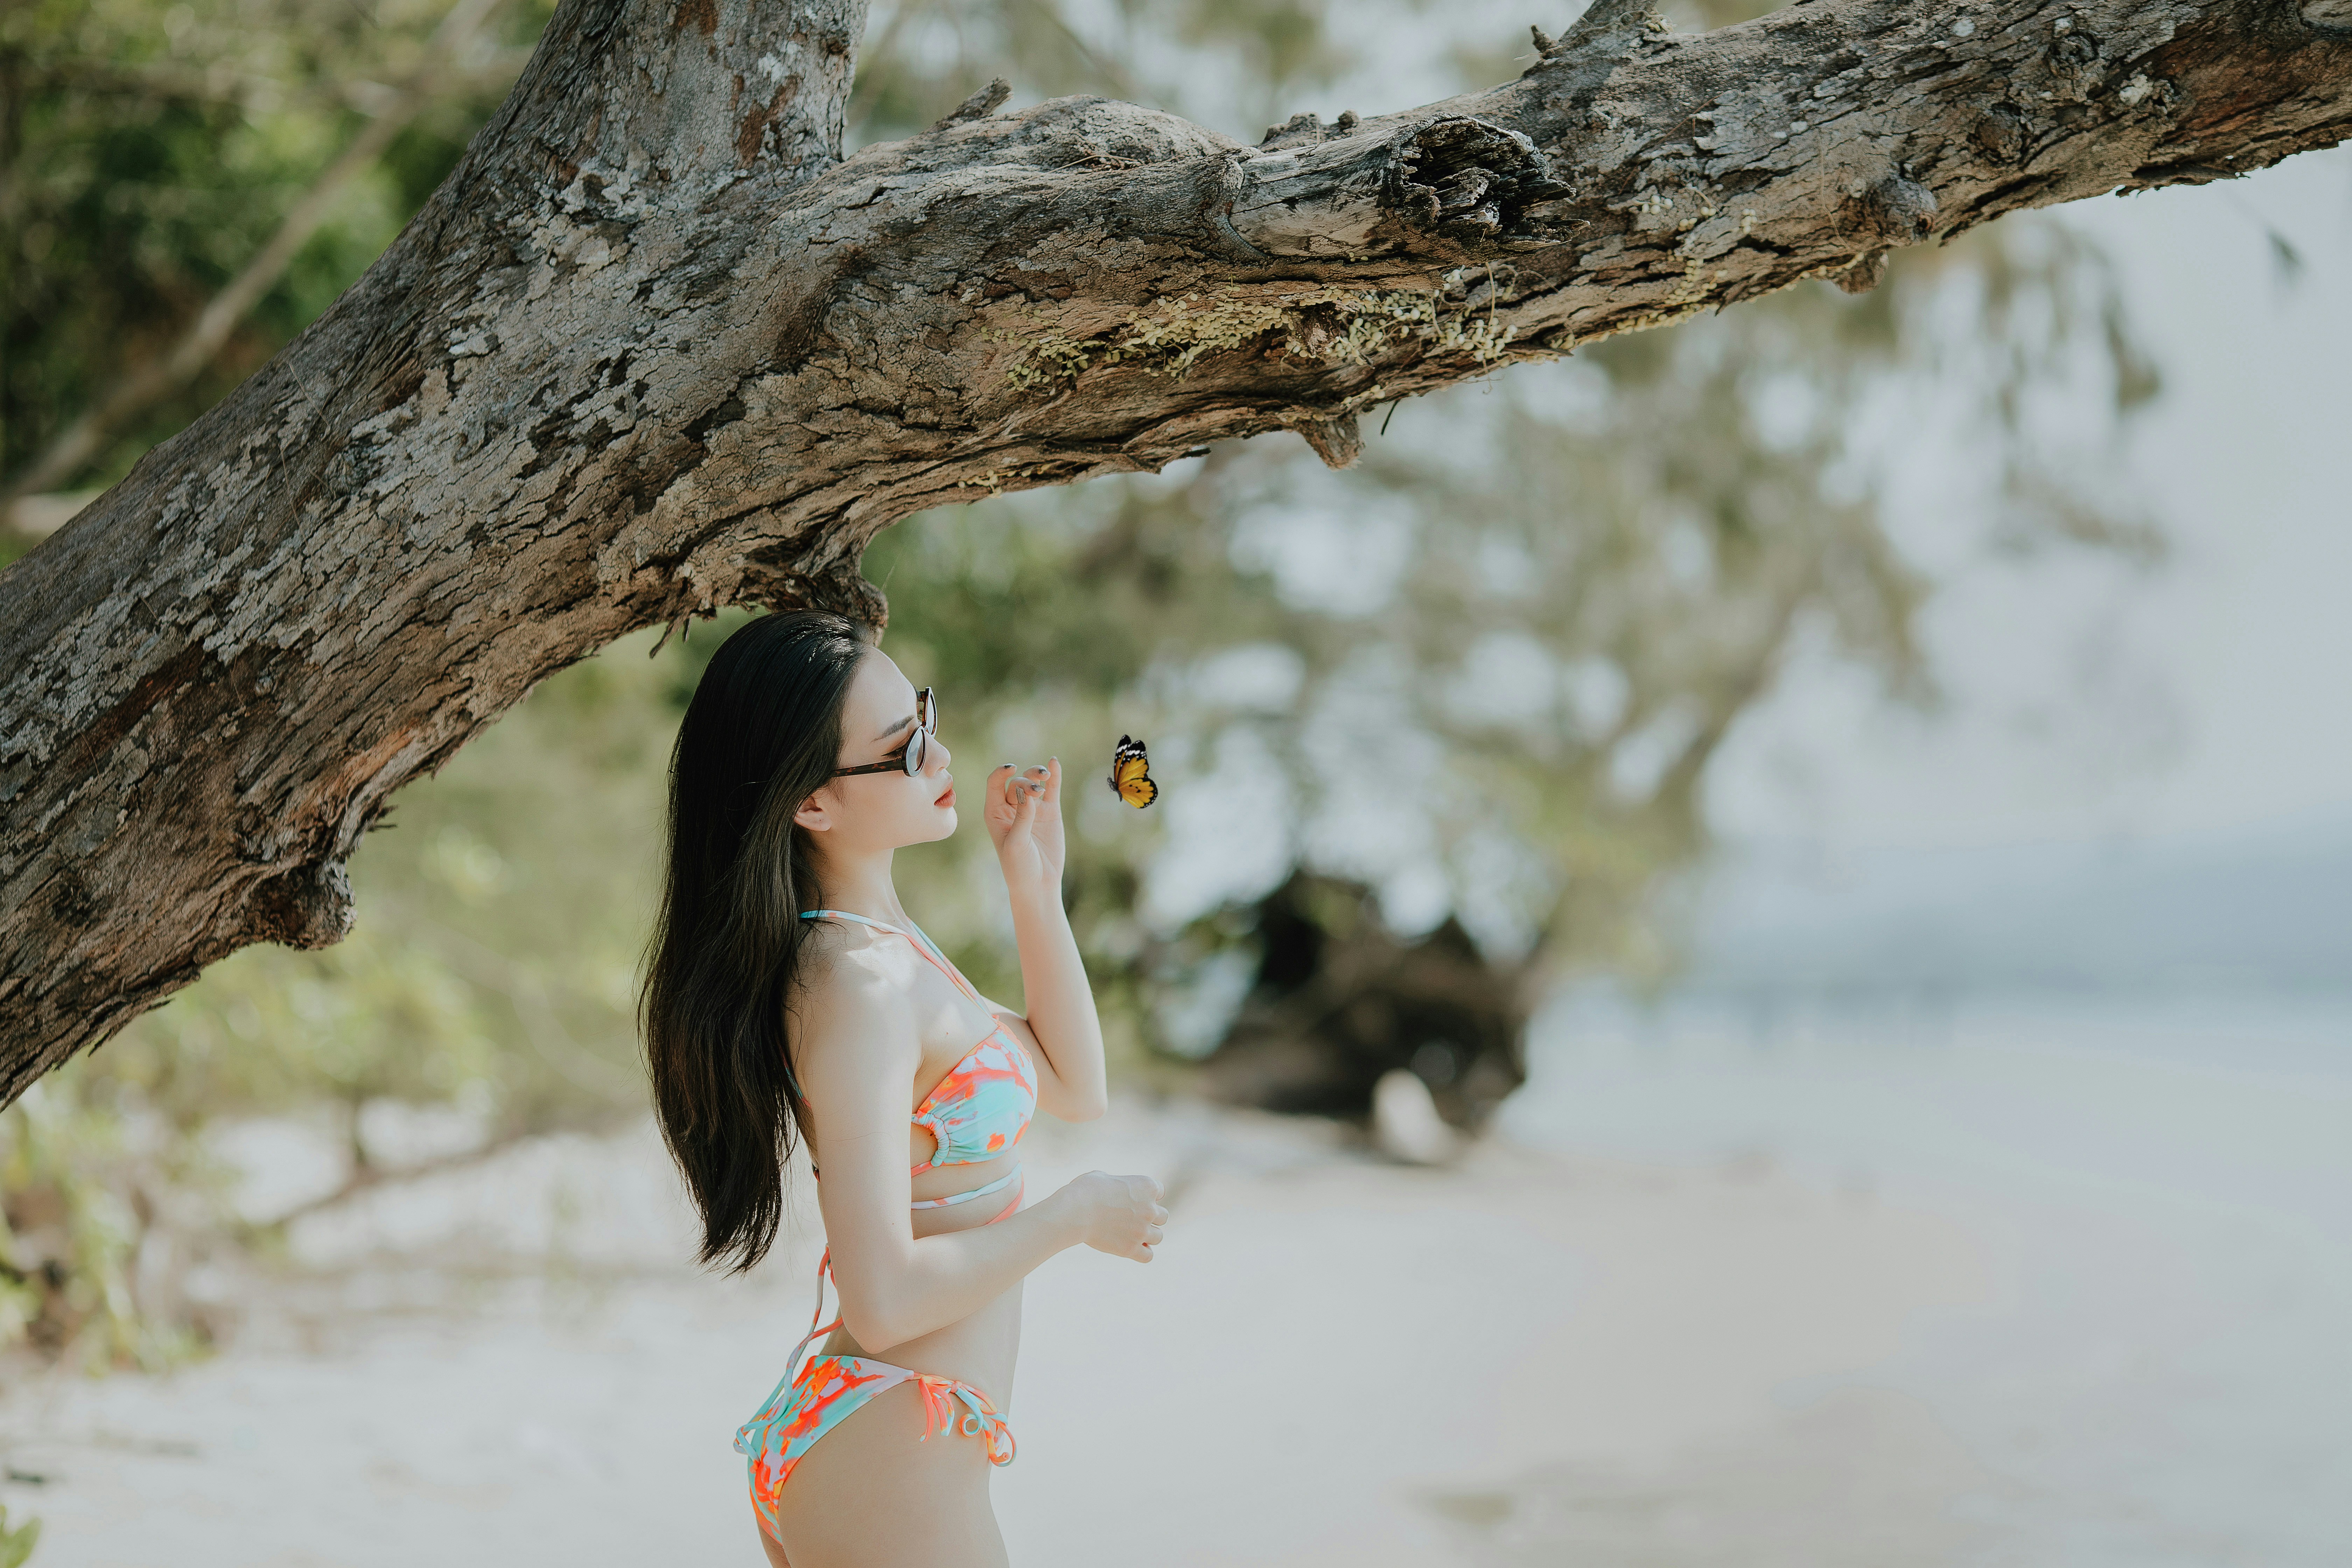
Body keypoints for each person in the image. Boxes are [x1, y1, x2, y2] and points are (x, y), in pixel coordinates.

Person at [640, 609, 1167, 1567]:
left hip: (899, 1448)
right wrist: (1077, 1214)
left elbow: (1073, 1085)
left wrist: (1034, 888)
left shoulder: (889, 951)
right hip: (891, 1453)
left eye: (925, 715)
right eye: (906, 747)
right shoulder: (856, 985)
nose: (943, 754)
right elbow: (883, 1299)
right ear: (811, 803)